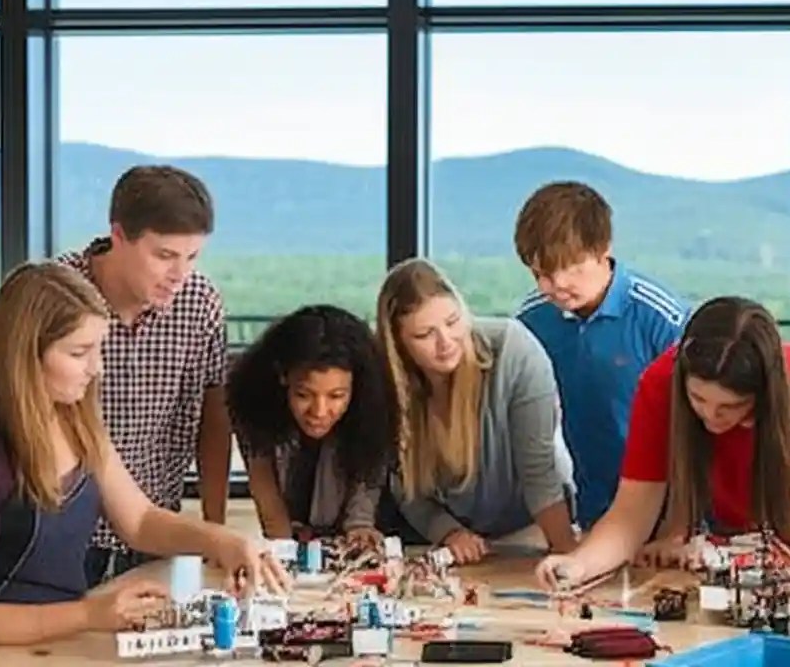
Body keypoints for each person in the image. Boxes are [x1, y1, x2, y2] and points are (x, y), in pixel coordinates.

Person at [0, 262, 289, 667]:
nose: (97, 367)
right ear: (24, 355)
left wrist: (225, 541)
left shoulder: (78, 423)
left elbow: (140, 521)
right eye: (79, 352)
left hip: (62, 649)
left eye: (100, 349)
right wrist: (89, 614)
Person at [535, 296, 790, 591]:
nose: (711, 417)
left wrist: (731, 555)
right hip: (715, 554)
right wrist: (579, 564)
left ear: (765, 396)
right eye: (697, 398)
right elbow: (630, 516)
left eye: (731, 407)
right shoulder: (660, 383)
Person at [55, 165, 233, 588]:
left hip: (156, 530)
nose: (180, 275)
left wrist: (214, 530)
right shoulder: (57, 293)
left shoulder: (200, 303)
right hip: (62, 529)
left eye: (192, 257)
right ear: (118, 236)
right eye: (165, 256)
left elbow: (214, 419)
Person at [374, 257, 578, 564]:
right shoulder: (386, 382)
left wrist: (567, 556)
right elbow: (408, 490)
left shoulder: (513, 349)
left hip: (535, 526)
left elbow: (540, 470)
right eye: (424, 335)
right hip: (457, 541)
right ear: (399, 345)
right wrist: (449, 532)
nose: (446, 342)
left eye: (453, 322)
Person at [513, 180, 689, 529]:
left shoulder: (660, 317)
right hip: (591, 507)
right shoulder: (531, 321)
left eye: (573, 267)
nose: (559, 284)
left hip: (670, 509)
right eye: (542, 274)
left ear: (604, 249)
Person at [227, 304, 398, 547]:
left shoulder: (375, 400)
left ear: (357, 386)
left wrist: (360, 524)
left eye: (336, 396)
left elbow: (370, 468)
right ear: (282, 376)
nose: (319, 412)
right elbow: (264, 487)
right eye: (304, 395)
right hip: (296, 521)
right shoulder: (253, 399)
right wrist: (283, 549)